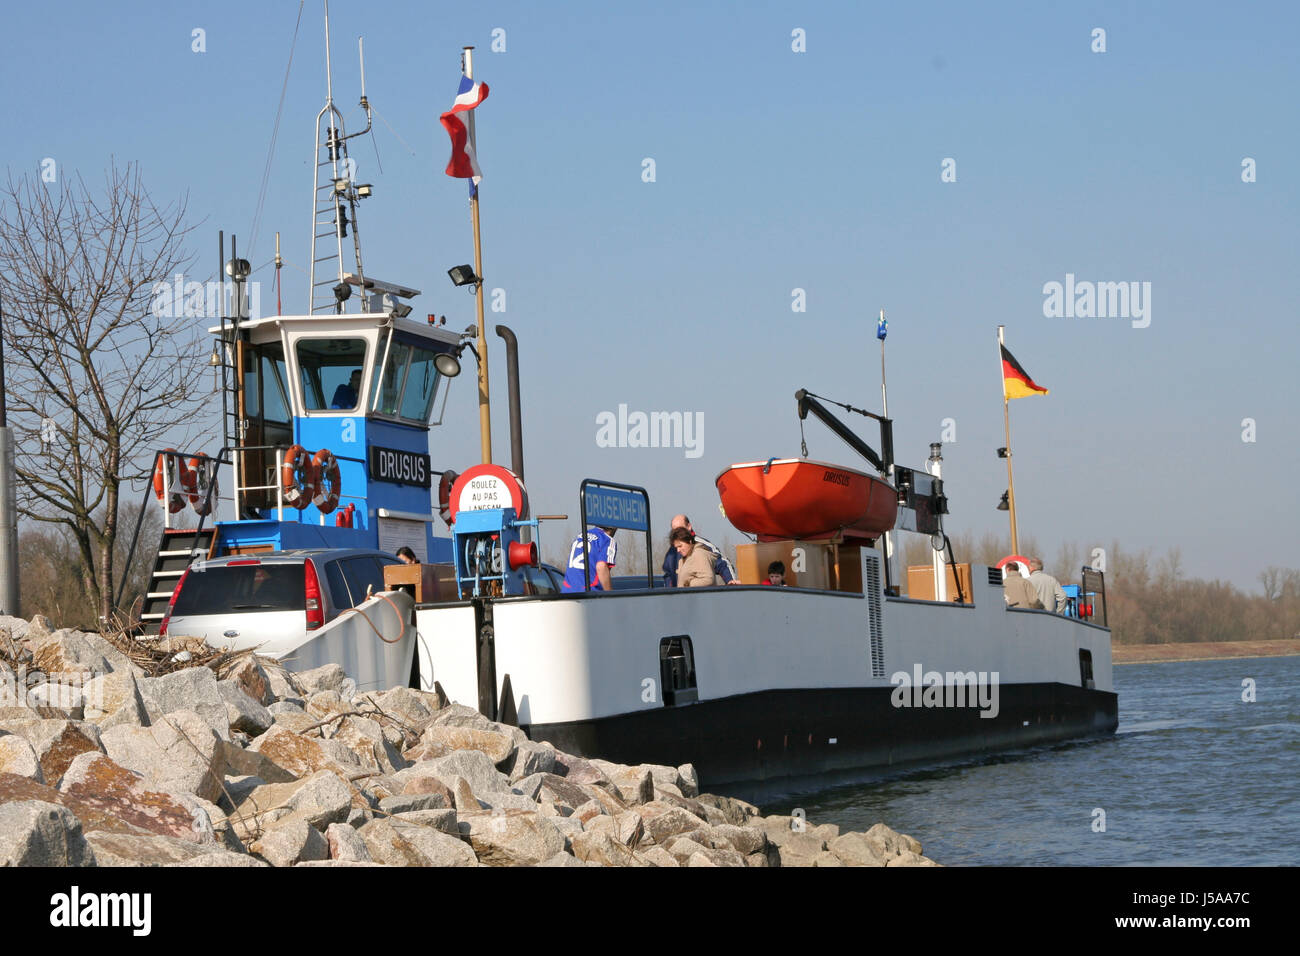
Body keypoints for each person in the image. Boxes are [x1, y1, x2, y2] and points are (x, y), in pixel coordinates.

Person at [661, 514, 738, 587]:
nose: (676, 534)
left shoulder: (702, 547)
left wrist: (731, 581)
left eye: (680, 530)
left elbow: (723, 564)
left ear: (689, 526)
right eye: (674, 531)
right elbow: (668, 575)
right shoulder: (671, 553)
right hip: (680, 598)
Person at [563, 525, 618, 592]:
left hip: (567, 591)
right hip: (589, 593)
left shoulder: (580, 536)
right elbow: (601, 566)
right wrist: (610, 594)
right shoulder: (607, 540)